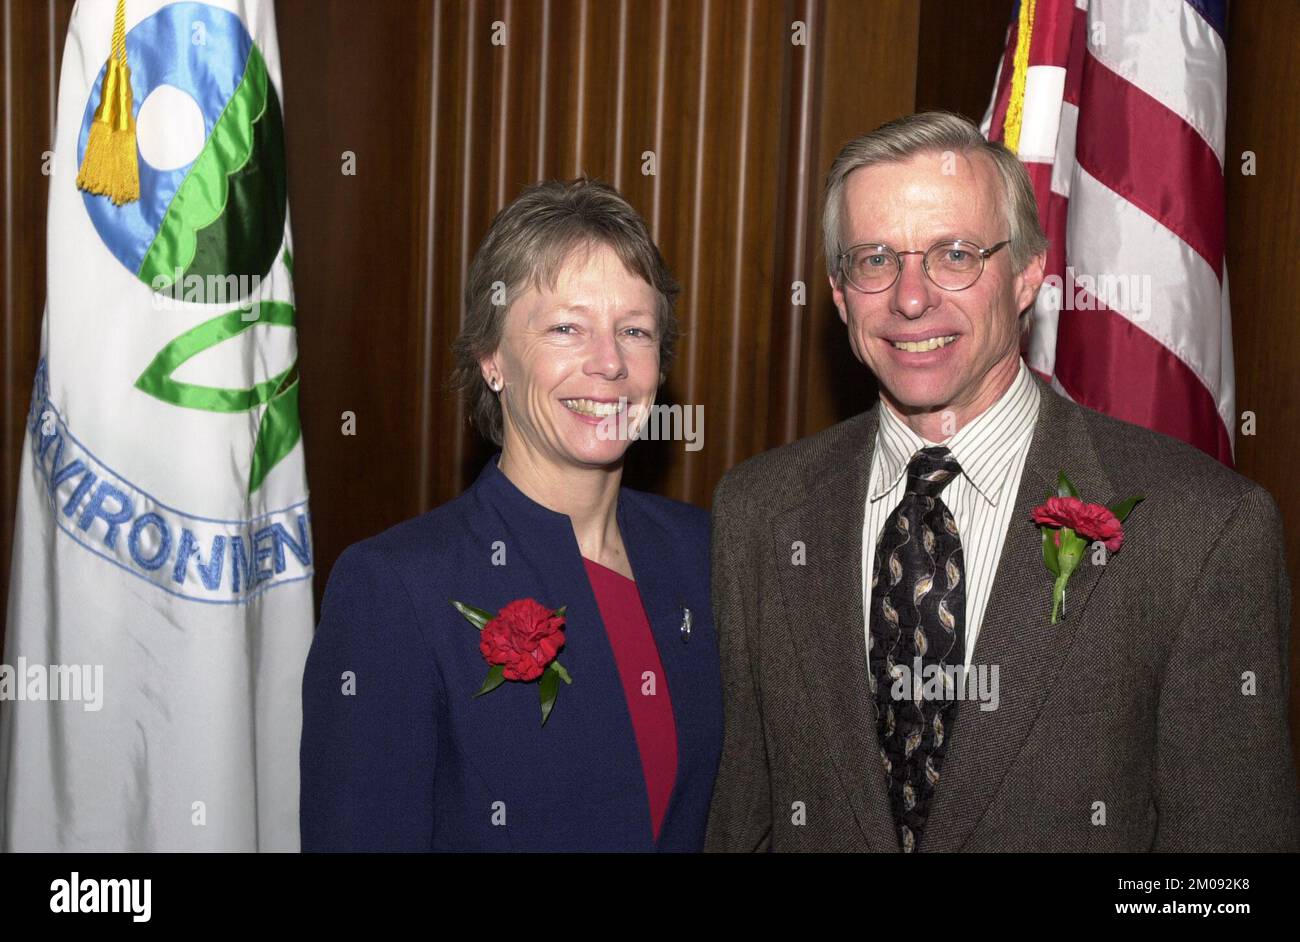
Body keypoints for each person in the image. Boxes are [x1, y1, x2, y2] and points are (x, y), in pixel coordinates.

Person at [704, 111, 1299, 852]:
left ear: (1025, 276)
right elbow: (744, 822)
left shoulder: (1202, 529)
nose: (912, 298)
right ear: (837, 291)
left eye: (955, 255)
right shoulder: (757, 514)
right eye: (875, 260)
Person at [300, 178, 722, 851]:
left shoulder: (708, 554)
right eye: (566, 327)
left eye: (634, 331)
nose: (608, 362)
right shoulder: (393, 589)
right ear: (492, 359)